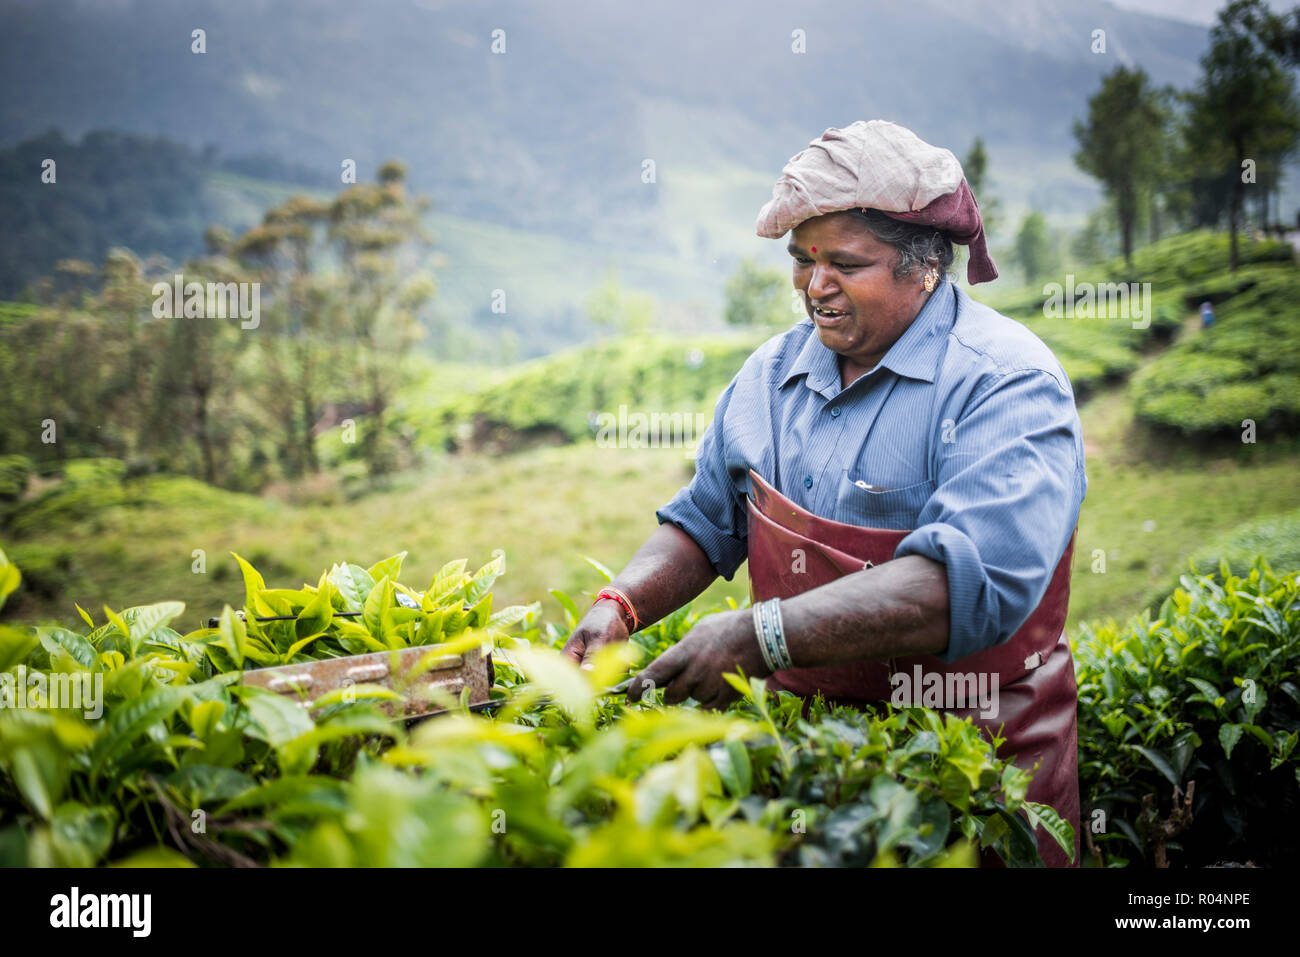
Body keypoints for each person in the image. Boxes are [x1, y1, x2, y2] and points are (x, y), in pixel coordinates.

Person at [561, 120, 1087, 867]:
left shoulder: (1005, 383)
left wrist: (755, 635)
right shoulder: (769, 378)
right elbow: (707, 521)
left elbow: (960, 587)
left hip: (973, 779)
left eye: (846, 262)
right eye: (803, 261)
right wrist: (619, 604)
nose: (816, 286)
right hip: (812, 771)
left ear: (925, 267)